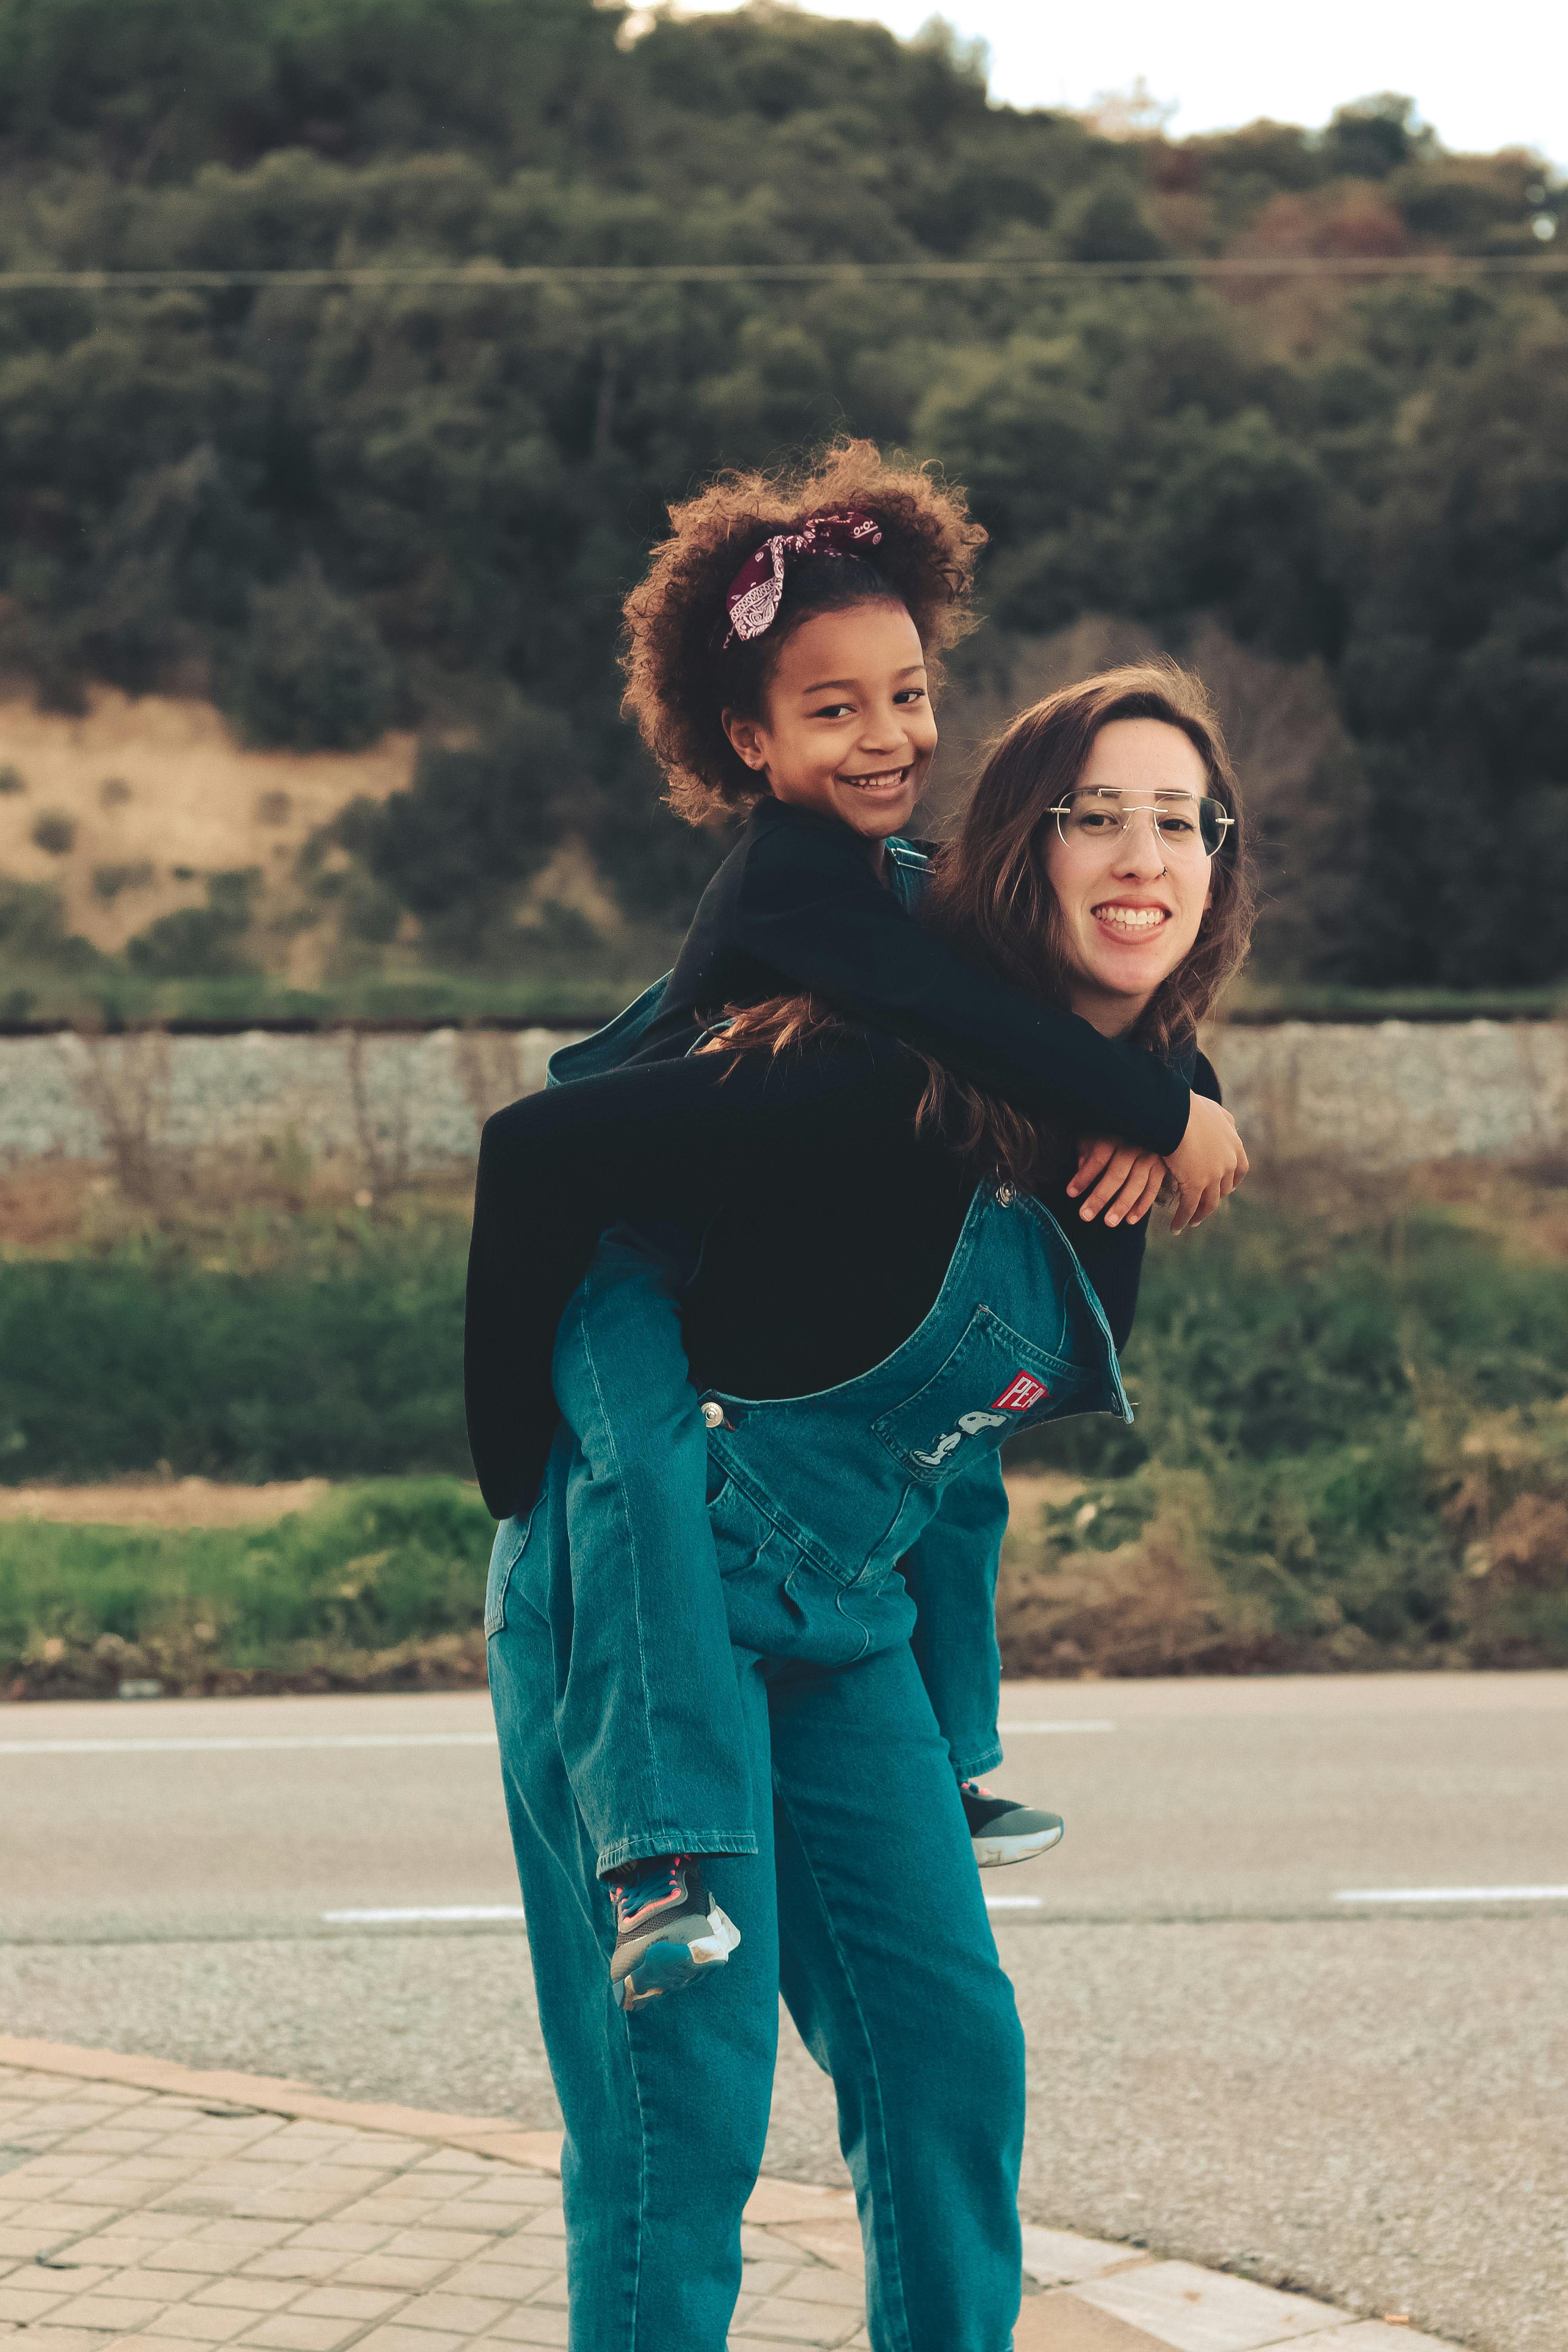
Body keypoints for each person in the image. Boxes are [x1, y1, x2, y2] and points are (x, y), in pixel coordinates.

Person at [470, 659, 1255, 2351]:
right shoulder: (865, 1077)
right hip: (649, 1578)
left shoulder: (1134, 1129)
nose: (1145, 857)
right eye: (1097, 818)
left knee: (948, 2054)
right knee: (687, 2107)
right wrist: (515, 1477)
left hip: (845, 1619)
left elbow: (951, 1452)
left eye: (1184, 823)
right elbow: (560, 1175)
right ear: (1019, 852)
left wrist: (960, 1734)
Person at [465, 447, 1247, 1993]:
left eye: (909, 693)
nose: (888, 735)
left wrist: (1171, 1083)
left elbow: (1034, 994)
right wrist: (505, 1448)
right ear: (748, 742)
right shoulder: (788, 883)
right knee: (638, 1490)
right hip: (637, 1261)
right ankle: (658, 1858)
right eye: (834, 711)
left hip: (768, 1277)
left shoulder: (899, 875)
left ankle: (955, 1764)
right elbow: (958, 1014)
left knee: (952, 1459)